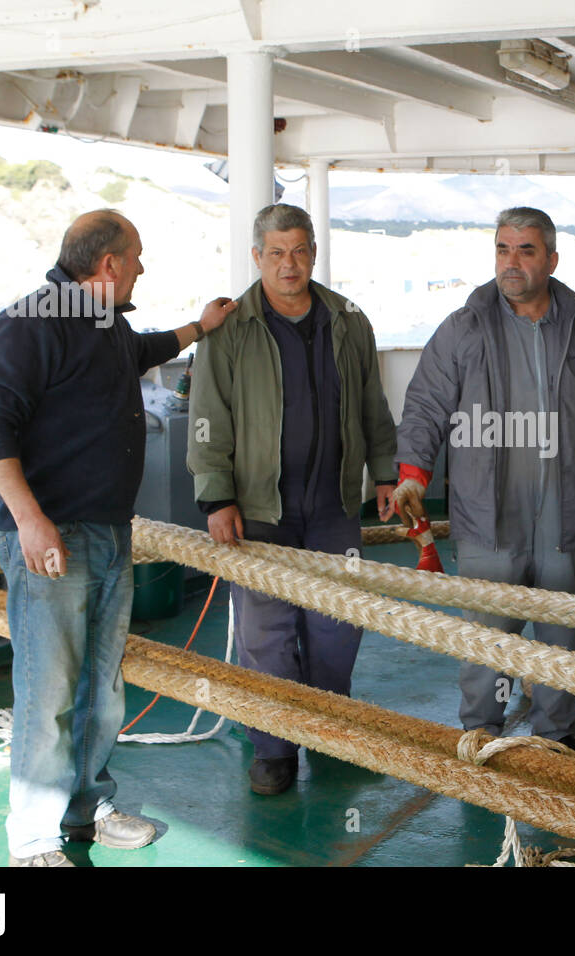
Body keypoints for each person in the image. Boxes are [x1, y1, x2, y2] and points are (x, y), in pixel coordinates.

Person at [0, 209, 236, 866]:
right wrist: (31, 520)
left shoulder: (104, 324)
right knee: (48, 687)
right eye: (137, 257)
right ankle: (32, 841)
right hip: (52, 540)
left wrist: (199, 328)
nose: (142, 267)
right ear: (109, 264)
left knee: (101, 682)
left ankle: (87, 805)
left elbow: (144, 349)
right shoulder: (26, 323)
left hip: (108, 533)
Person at [393, 207, 575, 762]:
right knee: (487, 641)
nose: (512, 262)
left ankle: (554, 736)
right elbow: (427, 403)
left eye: (526, 250)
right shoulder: (464, 327)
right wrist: (413, 471)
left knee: (561, 635)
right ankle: (481, 733)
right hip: (489, 515)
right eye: (503, 249)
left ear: (551, 259)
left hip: (564, 513)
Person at [187, 203, 398, 795]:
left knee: (337, 624)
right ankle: (274, 748)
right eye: (276, 252)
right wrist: (215, 498)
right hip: (258, 509)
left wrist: (384, 473)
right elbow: (207, 420)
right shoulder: (228, 329)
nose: (289, 264)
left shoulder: (348, 320)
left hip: (332, 504)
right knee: (265, 632)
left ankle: (328, 729)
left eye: (300, 250)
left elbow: (371, 404)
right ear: (257, 257)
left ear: (313, 254)